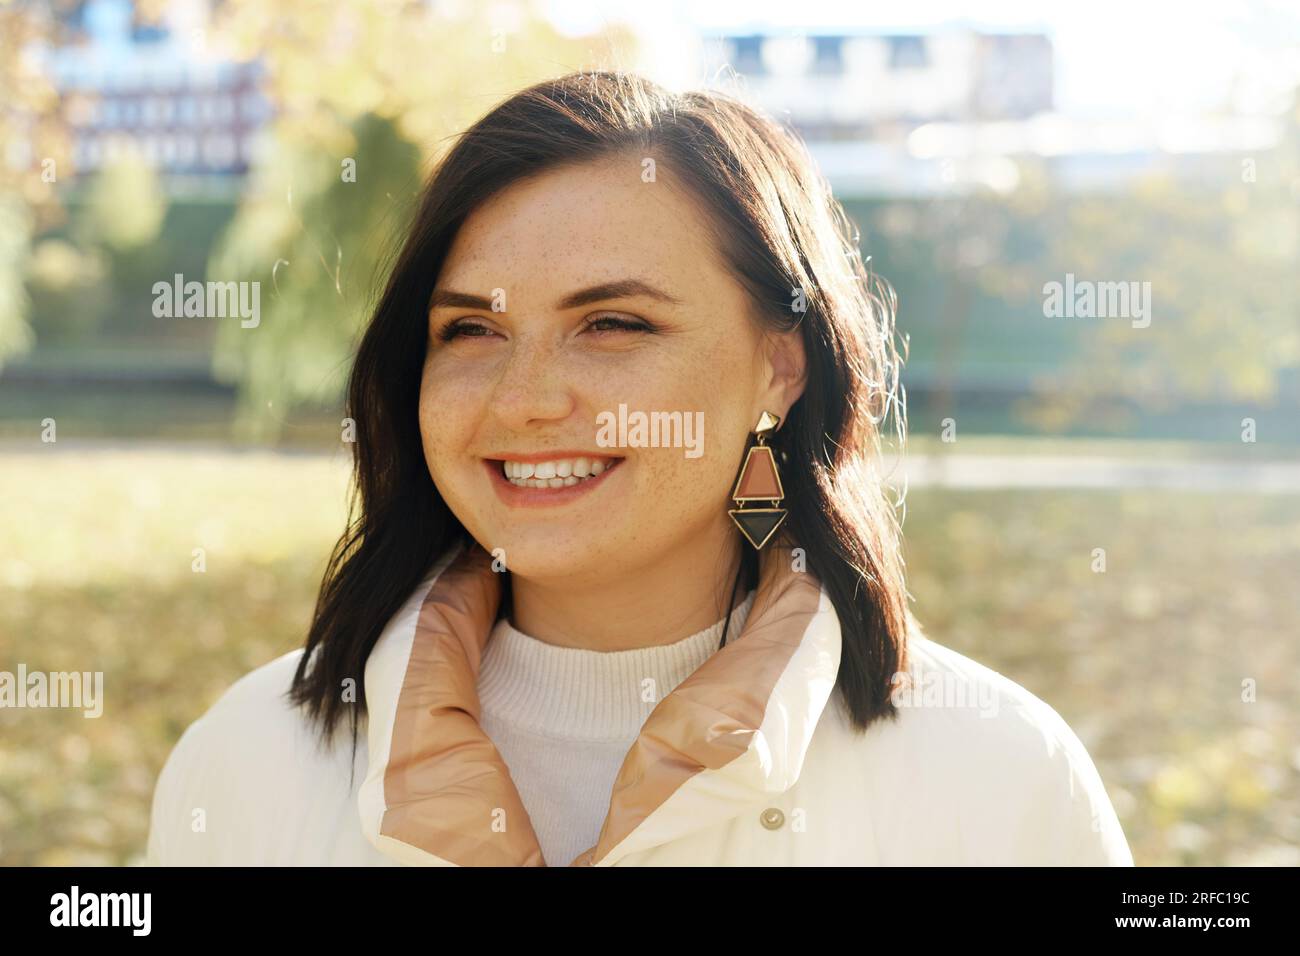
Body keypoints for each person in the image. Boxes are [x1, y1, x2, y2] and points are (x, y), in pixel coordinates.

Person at [147, 70, 1134, 867]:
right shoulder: (249, 758)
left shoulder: (997, 772)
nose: (525, 399)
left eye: (613, 322)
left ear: (779, 366)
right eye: (471, 328)